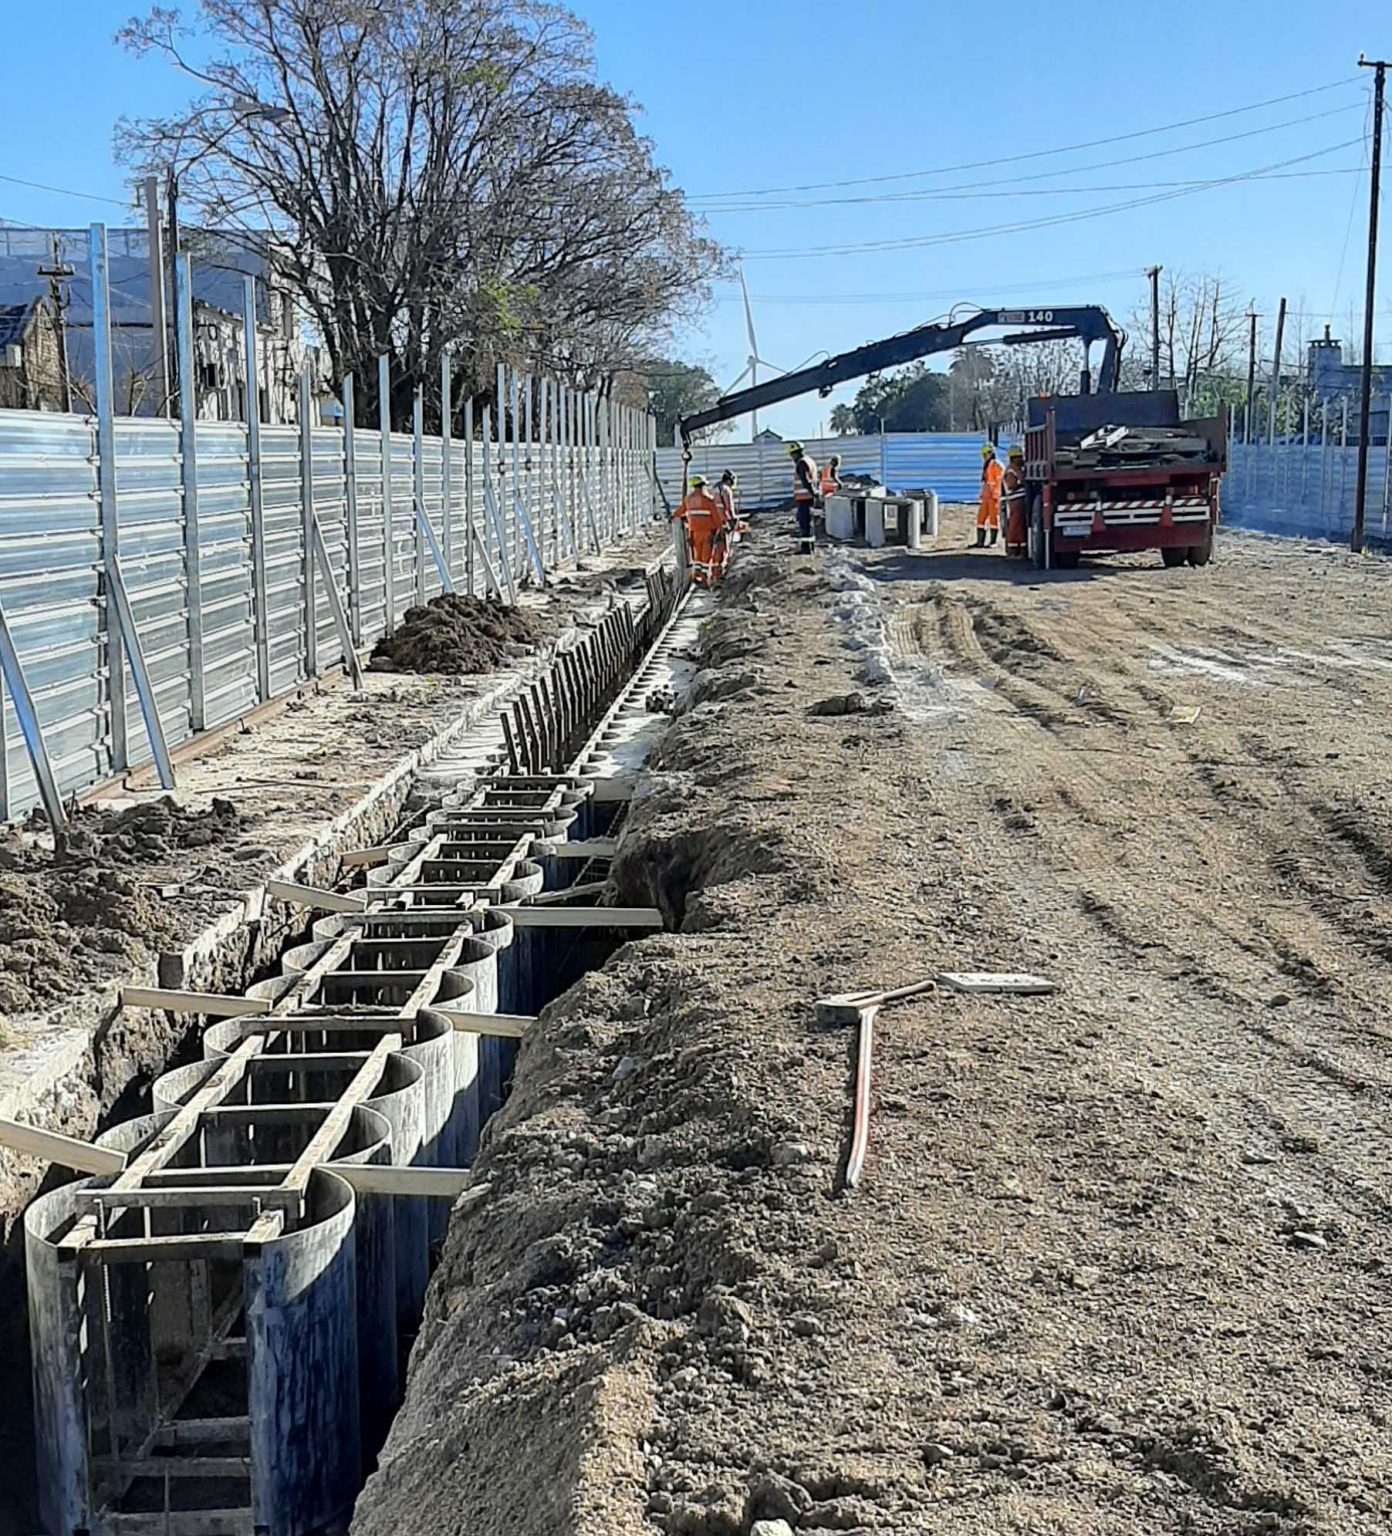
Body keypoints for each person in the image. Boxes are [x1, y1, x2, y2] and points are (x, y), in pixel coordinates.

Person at [672, 473, 722, 586]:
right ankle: (704, 579)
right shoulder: (709, 500)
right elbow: (716, 518)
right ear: (703, 485)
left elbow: (679, 512)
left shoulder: (688, 499)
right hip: (708, 532)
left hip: (694, 533)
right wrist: (721, 530)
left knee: (696, 556)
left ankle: (696, 575)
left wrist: (673, 516)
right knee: (706, 557)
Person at [789, 441, 819, 555]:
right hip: (807, 498)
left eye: (792, 455)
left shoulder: (801, 463)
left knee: (805, 524)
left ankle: (806, 549)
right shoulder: (810, 461)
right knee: (808, 523)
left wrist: (813, 493)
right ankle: (810, 547)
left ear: (795, 453)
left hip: (805, 499)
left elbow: (806, 481)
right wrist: (816, 494)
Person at [712, 470, 739, 580]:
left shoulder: (714, 488)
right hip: (722, 522)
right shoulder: (726, 489)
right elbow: (729, 507)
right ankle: (720, 574)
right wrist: (733, 519)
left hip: (712, 521)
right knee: (723, 548)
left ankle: (713, 573)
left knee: (713, 548)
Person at [1002, 445, 1028, 557]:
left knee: (1020, 526)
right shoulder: (1011, 471)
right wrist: (1023, 484)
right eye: (1020, 457)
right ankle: (1013, 550)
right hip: (1015, 502)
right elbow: (1012, 485)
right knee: (1015, 526)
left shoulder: (1017, 469)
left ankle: (1021, 549)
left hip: (1019, 501)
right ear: (1014, 458)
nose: (1022, 459)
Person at [975, 442, 1003, 548]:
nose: (984, 456)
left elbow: (999, 480)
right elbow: (987, 481)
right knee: (980, 518)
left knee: (993, 518)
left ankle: (993, 542)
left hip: (993, 497)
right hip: (987, 496)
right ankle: (980, 542)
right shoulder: (988, 465)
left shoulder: (996, 464)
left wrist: (996, 494)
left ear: (991, 453)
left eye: (985, 454)